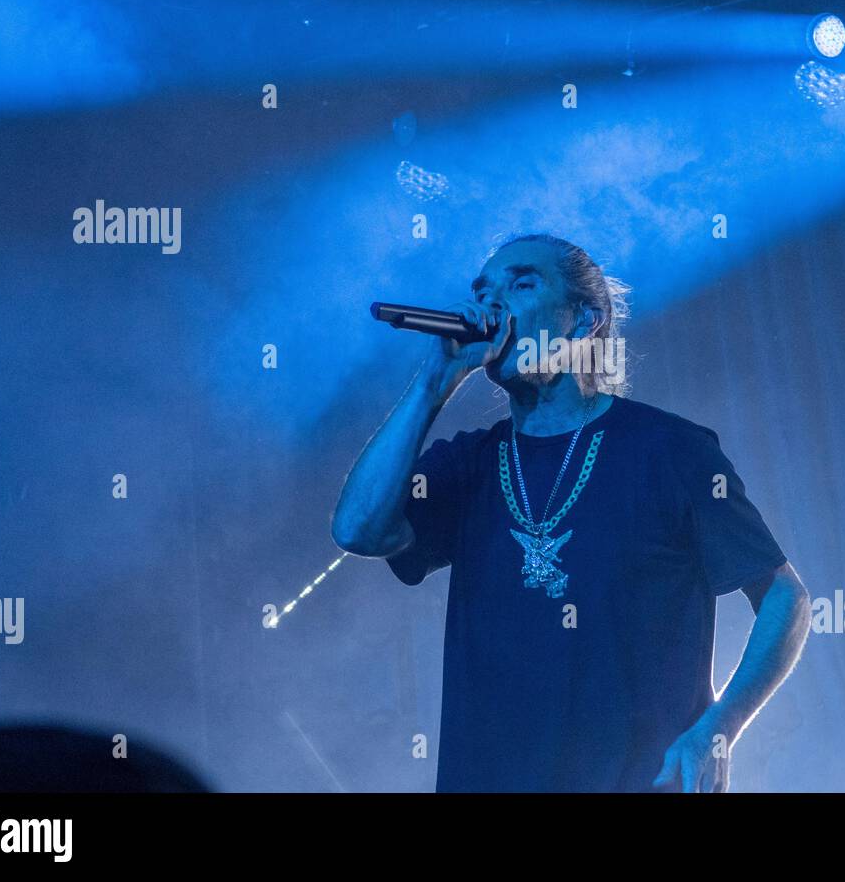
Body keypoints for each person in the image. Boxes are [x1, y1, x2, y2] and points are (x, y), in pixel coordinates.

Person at [332, 233, 810, 791]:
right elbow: (357, 529)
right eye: (483, 290)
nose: (492, 304)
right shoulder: (470, 465)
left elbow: (785, 596)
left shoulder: (668, 450)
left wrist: (717, 729)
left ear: (584, 320)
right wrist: (433, 384)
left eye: (522, 284)